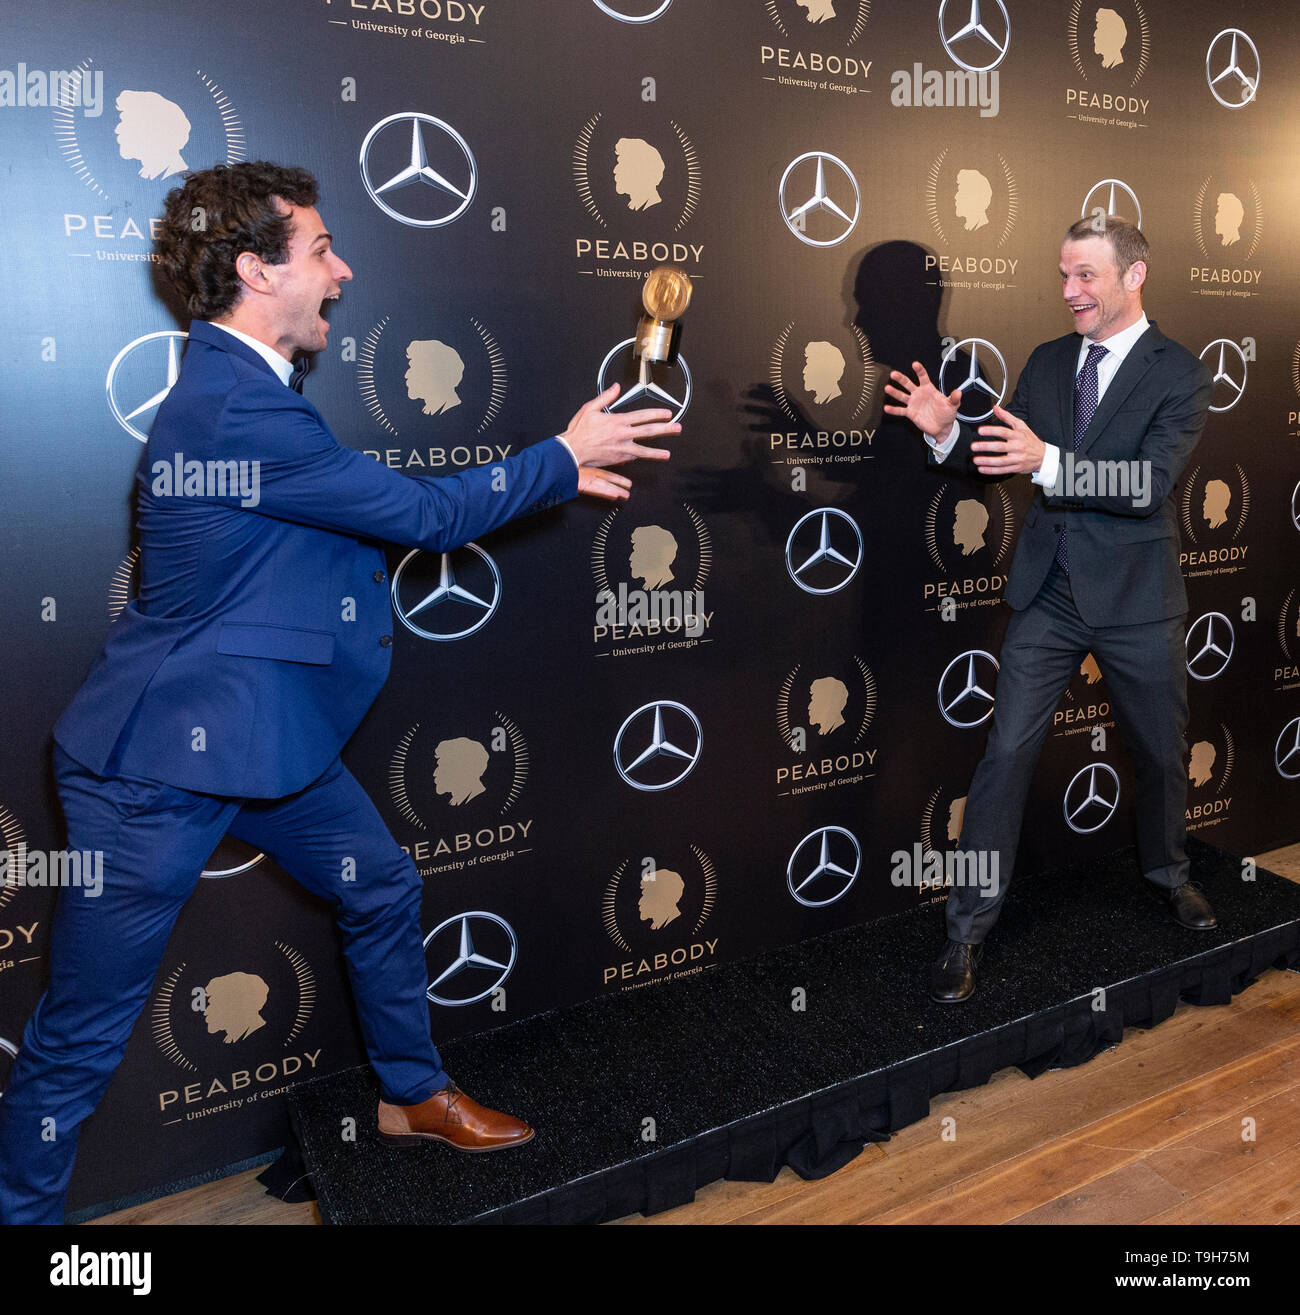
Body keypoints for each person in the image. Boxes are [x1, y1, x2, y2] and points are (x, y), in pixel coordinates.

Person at [0, 160, 679, 1224]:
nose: (343, 270)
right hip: (152, 774)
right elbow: (417, 517)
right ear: (252, 270)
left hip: (264, 738)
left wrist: (550, 470)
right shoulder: (234, 408)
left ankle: (409, 1093)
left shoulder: (255, 393)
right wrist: (559, 451)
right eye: (320, 250)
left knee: (380, 886)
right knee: (83, 1031)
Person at [884, 214, 1216, 1004]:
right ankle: (966, 930)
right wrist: (943, 437)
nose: (1068, 291)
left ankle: (1171, 873)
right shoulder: (1047, 360)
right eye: (1064, 275)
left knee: (1163, 754)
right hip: (1053, 593)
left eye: (1086, 277)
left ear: (1134, 275)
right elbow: (1001, 454)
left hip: (1137, 602)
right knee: (1003, 758)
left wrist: (1053, 461)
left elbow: (1145, 487)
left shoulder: (1181, 373)